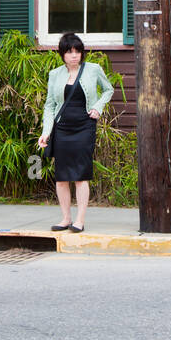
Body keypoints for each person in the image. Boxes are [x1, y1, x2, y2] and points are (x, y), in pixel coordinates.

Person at [38, 31, 113, 233]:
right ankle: (65, 218)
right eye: (70, 52)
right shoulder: (55, 74)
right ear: (62, 54)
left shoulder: (93, 69)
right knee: (61, 177)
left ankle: (79, 220)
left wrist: (97, 107)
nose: (74, 55)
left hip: (84, 127)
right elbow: (49, 106)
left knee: (80, 175)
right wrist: (46, 132)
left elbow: (108, 90)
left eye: (77, 51)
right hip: (62, 129)